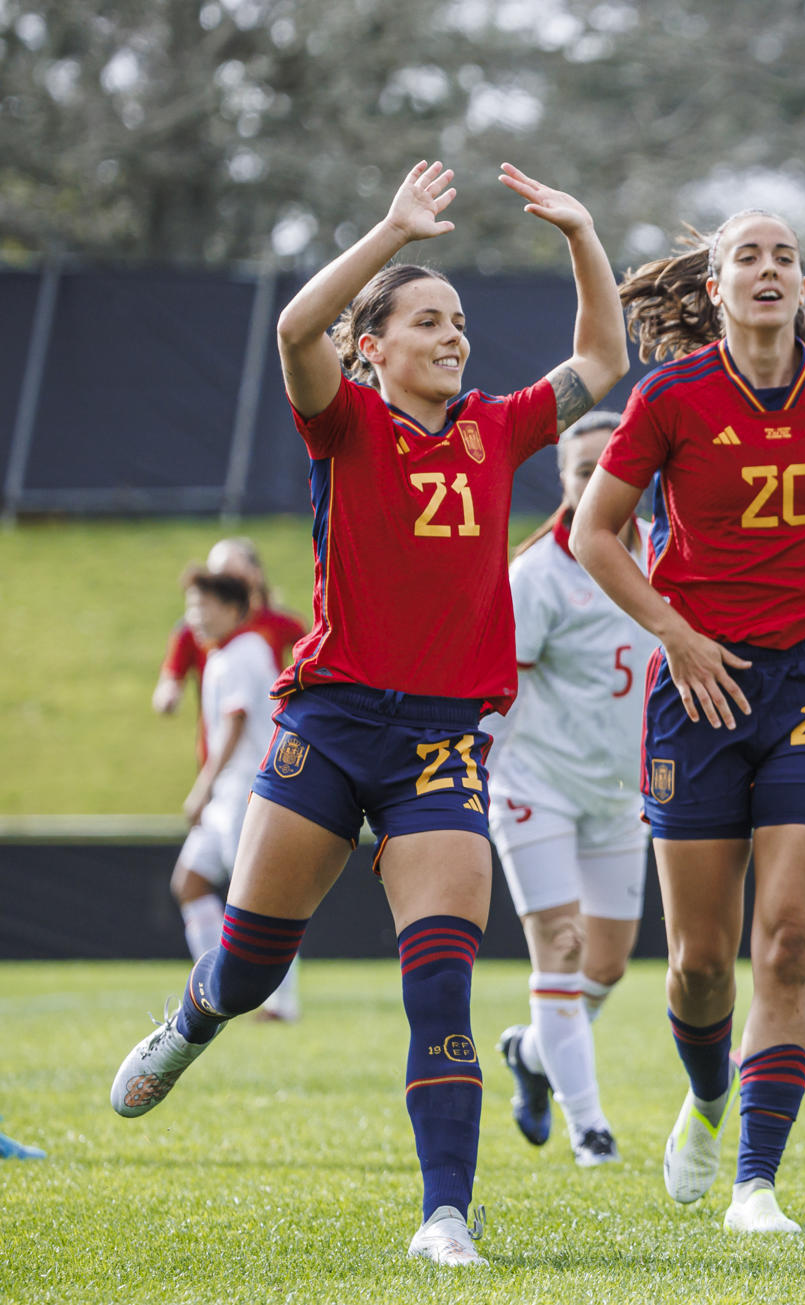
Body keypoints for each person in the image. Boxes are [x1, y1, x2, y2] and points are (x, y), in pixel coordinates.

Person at [109, 159, 628, 1268]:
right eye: (429, 322)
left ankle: (445, 1216)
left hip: (443, 744)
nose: (455, 337)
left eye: (461, 321)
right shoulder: (341, 421)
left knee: (439, 974)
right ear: (374, 347)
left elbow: (602, 360)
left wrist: (583, 235)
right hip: (333, 728)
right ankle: (192, 1023)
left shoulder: (497, 428)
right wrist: (391, 234)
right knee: (250, 964)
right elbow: (299, 327)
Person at [572, 209, 805, 1235]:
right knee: (700, 962)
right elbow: (593, 533)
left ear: (801, 283)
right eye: (749, 256)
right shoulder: (671, 397)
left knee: (787, 939)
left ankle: (755, 1185)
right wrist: (674, 635)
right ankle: (704, 1097)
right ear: (716, 286)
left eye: (785, 255)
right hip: (698, 695)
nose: (771, 269)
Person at [488, 409, 660, 1168]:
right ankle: (589, 1127)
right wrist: (474, 774)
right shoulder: (538, 575)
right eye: (582, 471)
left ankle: (531, 1051)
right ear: (563, 481)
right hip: (537, 786)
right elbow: (498, 694)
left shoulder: (666, 550)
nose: (598, 482)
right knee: (560, 945)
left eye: (609, 467)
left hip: (622, 793)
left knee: (609, 961)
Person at [171, 569, 301, 1021]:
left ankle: (281, 1003)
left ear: (231, 609)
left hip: (247, 790)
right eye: (191, 607)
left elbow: (236, 722)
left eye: (203, 606)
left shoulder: (242, 653)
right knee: (188, 882)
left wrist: (201, 788)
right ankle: (215, 991)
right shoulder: (225, 653)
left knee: (261, 901)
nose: (194, 617)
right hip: (228, 794)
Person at [153, 537, 306, 719]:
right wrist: (168, 696)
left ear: (255, 574)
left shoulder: (279, 623)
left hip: (268, 733)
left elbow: (312, 664)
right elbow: (171, 679)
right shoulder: (195, 628)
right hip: (218, 735)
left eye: (234, 576)